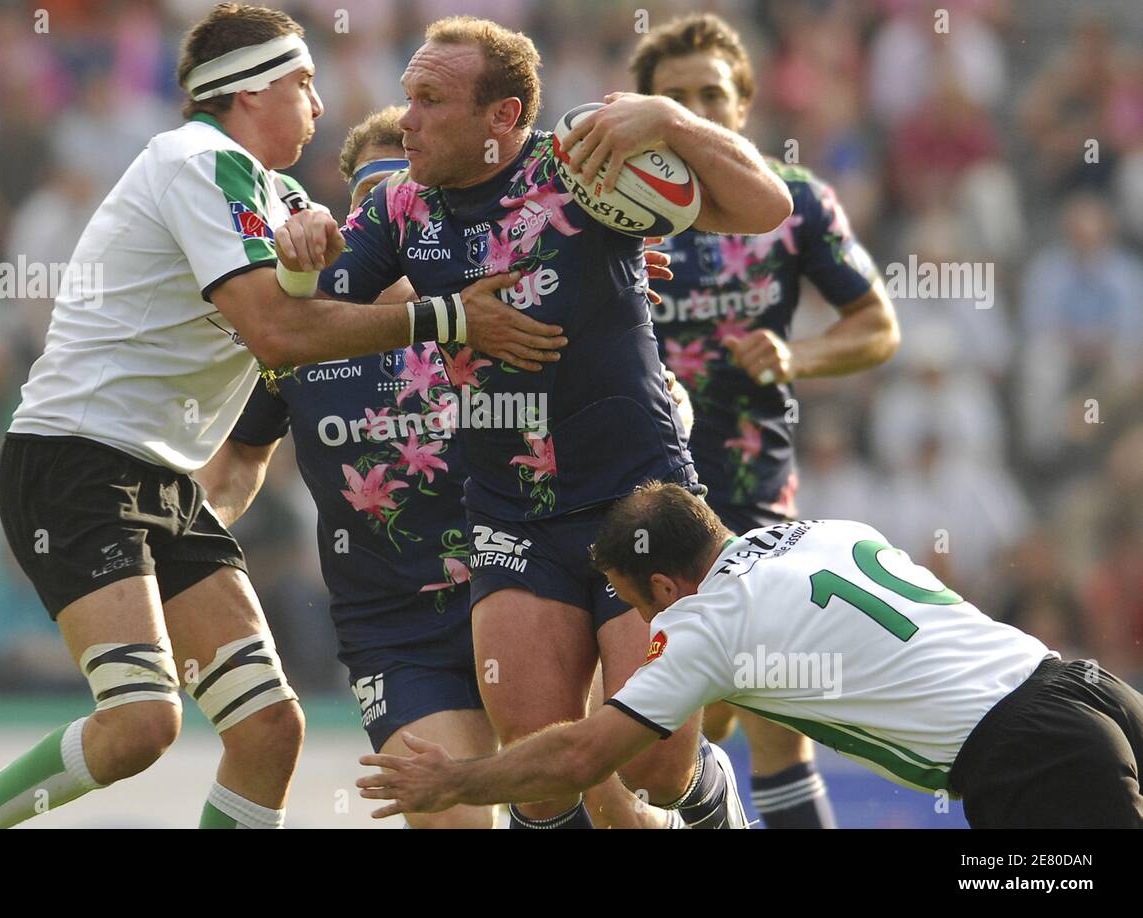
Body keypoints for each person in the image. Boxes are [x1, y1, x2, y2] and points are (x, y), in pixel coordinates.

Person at [0, 3, 562, 830]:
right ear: (251, 90)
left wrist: (544, 275)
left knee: (269, 729)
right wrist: (449, 315)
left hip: (159, 475)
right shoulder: (196, 157)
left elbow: (346, 307)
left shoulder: (277, 194)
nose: (320, 106)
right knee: (142, 723)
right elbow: (280, 333)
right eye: (303, 83)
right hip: (76, 456)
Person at [323, 15, 790, 829]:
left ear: (503, 117)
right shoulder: (400, 207)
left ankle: (713, 804)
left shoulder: (582, 168)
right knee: (536, 780)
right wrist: (310, 257)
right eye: (408, 99)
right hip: (511, 516)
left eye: (431, 101)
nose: (408, 121)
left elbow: (765, 206)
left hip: (638, 501)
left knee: (654, 768)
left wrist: (673, 120)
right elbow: (315, 311)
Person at [202, 107, 694, 829]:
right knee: (454, 819)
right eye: (378, 198)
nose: (404, 219)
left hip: (537, 585)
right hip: (400, 630)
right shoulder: (305, 337)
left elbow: (627, 397)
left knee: (622, 802)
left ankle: (703, 800)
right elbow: (238, 460)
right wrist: (190, 541)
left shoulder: (512, 309)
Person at [359, 483, 1143, 829]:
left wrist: (456, 780)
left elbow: (584, 753)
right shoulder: (833, 533)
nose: (642, 622)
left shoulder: (704, 623)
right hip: (1089, 691)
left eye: (636, 605)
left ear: (665, 584)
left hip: (1032, 759)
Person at [630, 12, 900, 828]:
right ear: (644, 114)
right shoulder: (614, 210)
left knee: (776, 714)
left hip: (757, 493)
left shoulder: (798, 202)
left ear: (743, 105)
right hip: (643, 497)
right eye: (673, 98)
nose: (695, 109)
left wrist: (795, 356)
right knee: (672, 731)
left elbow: (877, 325)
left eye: (712, 93)